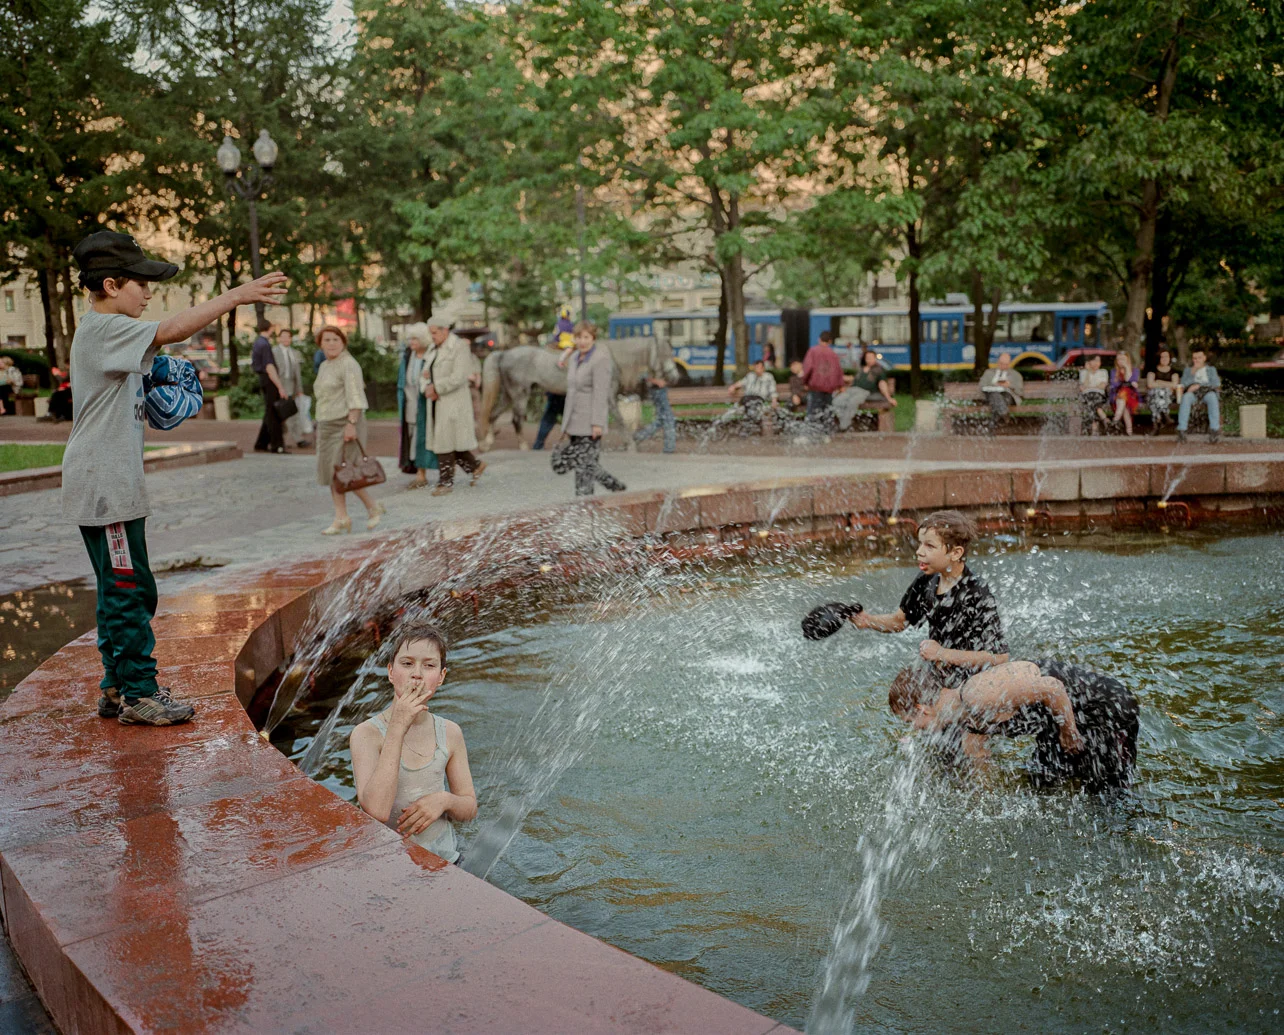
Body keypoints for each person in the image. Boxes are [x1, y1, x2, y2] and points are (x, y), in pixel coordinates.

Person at [64, 229, 286, 725]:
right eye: (141, 283)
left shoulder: (103, 330)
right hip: (107, 488)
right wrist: (238, 295)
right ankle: (140, 693)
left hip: (103, 483)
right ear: (111, 284)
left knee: (116, 587)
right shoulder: (104, 328)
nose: (148, 292)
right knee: (130, 589)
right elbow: (174, 329)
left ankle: (117, 685)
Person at [889, 657, 1139, 793]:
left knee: (1110, 794)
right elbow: (978, 759)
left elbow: (1052, 688)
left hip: (1105, 708)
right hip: (1061, 720)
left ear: (923, 709)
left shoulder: (976, 694)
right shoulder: (969, 721)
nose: (914, 728)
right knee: (1043, 782)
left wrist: (1069, 733)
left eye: (911, 721)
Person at [350, 623, 477, 863]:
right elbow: (376, 810)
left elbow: (469, 807)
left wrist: (444, 800)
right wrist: (398, 725)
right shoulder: (365, 735)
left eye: (429, 665)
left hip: (445, 857)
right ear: (390, 672)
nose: (416, 674)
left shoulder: (449, 733)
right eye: (407, 664)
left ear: (441, 677)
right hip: (388, 861)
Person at [848, 510, 1009, 693]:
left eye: (929, 546)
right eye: (920, 544)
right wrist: (866, 620)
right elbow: (900, 621)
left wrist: (942, 654)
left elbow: (1000, 657)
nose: (919, 552)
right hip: (941, 675)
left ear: (955, 553)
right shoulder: (927, 580)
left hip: (973, 684)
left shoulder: (976, 593)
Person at [313, 325, 385, 534]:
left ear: (343, 342)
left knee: (347, 472)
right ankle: (341, 516)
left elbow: (356, 397)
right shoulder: (326, 365)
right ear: (320, 344)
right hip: (326, 423)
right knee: (330, 473)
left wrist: (351, 423)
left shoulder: (349, 364)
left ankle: (373, 507)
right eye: (327, 340)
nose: (331, 344)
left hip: (345, 422)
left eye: (336, 339)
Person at [554, 321, 626, 496]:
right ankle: (608, 489)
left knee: (586, 464)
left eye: (586, 337)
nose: (582, 341)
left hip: (590, 421)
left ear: (593, 338)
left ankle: (589, 499)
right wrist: (566, 424)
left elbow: (601, 393)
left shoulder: (600, 359)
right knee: (583, 464)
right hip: (574, 421)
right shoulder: (573, 358)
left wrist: (597, 423)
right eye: (578, 337)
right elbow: (571, 391)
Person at [425, 319, 486, 495]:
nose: (432, 336)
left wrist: (437, 387)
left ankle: (445, 482)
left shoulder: (459, 348)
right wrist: (428, 388)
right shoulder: (433, 348)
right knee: (446, 440)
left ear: (445, 331)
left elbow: (459, 376)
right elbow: (425, 373)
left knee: (445, 440)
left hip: (454, 401)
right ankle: (475, 466)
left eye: (435, 332)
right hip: (436, 401)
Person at [396, 323, 438, 488]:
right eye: (409, 339)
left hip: (425, 403)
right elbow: (403, 381)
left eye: (414, 338)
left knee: (422, 437)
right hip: (408, 402)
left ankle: (423, 473)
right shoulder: (408, 356)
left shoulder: (430, 356)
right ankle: (418, 471)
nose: (411, 342)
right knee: (412, 436)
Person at [633, 339, 681, 453]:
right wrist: (656, 381)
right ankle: (669, 448)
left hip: (661, 390)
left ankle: (638, 437)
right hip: (656, 390)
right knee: (668, 418)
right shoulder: (650, 358)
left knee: (661, 419)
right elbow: (642, 375)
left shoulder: (659, 357)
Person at [834, 348, 898, 432]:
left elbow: (882, 384)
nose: (868, 359)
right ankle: (840, 420)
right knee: (837, 401)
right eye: (867, 357)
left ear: (875, 358)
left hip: (864, 392)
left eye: (871, 357)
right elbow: (854, 380)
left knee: (852, 402)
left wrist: (889, 398)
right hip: (852, 390)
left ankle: (844, 426)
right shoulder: (861, 369)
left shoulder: (879, 370)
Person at [250, 318, 288, 453]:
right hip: (269, 380)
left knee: (269, 411)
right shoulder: (265, 344)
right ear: (270, 328)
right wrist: (280, 386)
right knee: (273, 413)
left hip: (263, 379)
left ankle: (261, 442)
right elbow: (269, 366)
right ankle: (277, 445)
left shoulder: (258, 343)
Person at [273, 328, 309, 447]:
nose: (286, 339)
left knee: (293, 413)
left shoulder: (294, 353)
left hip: (291, 387)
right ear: (279, 338)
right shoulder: (274, 352)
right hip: (279, 386)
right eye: (283, 336)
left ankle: (298, 439)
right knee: (282, 415)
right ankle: (280, 440)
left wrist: (299, 389)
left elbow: (297, 373)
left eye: (288, 337)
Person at [1177, 348, 1221, 443]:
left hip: (1207, 392)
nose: (1197, 360)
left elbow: (1216, 383)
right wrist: (1193, 374)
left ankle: (1214, 430)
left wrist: (1199, 385)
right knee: (1186, 398)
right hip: (1192, 394)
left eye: (1199, 358)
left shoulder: (1211, 370)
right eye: (1194, 358)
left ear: (1204, 358)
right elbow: (1184, 383)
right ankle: (1182, 430)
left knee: (1212, 398)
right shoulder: (1188, 370)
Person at [718, 357, 778, 427]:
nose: (758, 369)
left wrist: (774, 401)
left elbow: (773, 390)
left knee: (753, 404)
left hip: (759, 398)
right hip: (747, 398)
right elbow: (741, 383)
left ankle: (749, 425)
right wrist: (733, 387)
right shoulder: (750, 376)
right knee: (749, 403)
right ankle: (752, 424)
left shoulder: (768, 377)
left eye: (759, 367)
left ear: (763, 368)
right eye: (756, 367)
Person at [801, 330, 845, 421]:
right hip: (829, 388)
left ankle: (813, 432)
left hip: (815, 387)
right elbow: (838, 371)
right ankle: (827, 433)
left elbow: (808, 368)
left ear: (819, 339)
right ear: (830, 341)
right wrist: (840, 385)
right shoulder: (833, 354)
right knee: (827, 413)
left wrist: (804, 381)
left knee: (814, 413)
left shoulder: (813, 351)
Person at [977, 351, 1023, 428]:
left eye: (1006, 364)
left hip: (1008, 396)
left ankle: (994, 421)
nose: (1003, 366)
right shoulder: (989, 372)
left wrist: (1009, 385)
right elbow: (981, 386)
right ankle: (1004, 414)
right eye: (1001, 363)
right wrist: (994, 385)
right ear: (998, 362)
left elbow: (1020, 391)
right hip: (991, 395)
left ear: (1009, 363)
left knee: (1001, 398)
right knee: (995, 395)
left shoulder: (1016, 375)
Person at [1143, 347, 1181, 433]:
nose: (1164, 359)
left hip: (1168, 398)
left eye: (1166, 357)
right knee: (1157, 393)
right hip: (1152, 397)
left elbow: (1174, 385)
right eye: (1162, 357)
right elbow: (1150, 384)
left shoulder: (1174, 372)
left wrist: (1159, 382)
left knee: (1159, 395)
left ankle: (1156, 425)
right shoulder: (1152, 370)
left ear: (1169, 358)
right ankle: (1165, 415)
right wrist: (1167, 384)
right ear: (1158, 358)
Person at [1107, 351, 1141, 436]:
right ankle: (1129, 431)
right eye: (1119, 359)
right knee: (1124, 407)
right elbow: (1114, 384)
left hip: (1131, 396)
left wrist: (1127, 369)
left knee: (1124, 394)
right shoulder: (1114, 371)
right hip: (1117, 396)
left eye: (1123, 359)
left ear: (1127, 360)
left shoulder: (1135, 370)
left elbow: (1130, 381)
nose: (1120, 361)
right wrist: (1127, 383)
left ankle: (1115, 420)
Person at [1078, 353, 1109, 435]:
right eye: (1094, 360)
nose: (1096, 363)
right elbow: (1083, 387)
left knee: (1091, 403)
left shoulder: (1103, 372)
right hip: (1087, 395)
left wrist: (1089, 386)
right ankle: (1104, 419)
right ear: (1088, 362)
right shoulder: (1084, 372)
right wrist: (1088, 372)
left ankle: (1093, 428)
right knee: (1093, 403)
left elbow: (1102, 386)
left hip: (1099, 395)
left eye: (1098, 361)